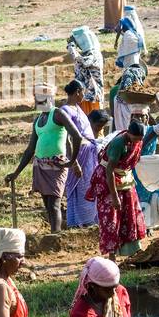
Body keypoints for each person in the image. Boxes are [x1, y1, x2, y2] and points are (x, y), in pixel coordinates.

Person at [5, 83, 84, 233]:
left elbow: (76, 137)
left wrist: (73, 162)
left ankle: (56, 236)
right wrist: (16, 173)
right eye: (36, 99)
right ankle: (54, 235)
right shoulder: (38, 120)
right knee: (48, 204)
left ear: (49, 98)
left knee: (54, 203)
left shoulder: (58, 114)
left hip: (56, 165)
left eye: (40, 99)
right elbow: (30, 150)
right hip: (40, 165)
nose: (37, 102)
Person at [87, 117, 148, 259]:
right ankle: (112, 257)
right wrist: (114, 197)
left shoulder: (137, 141)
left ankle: (133, 251)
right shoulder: (118, 143)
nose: (137, 142)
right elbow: (109, 171)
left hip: (125, 178)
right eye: (135, 138)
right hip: (108, 180)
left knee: (131, 215)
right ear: (129, 133)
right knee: (111, 219)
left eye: (139, 139)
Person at [59, 80, 100, 228]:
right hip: (78, 154)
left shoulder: (78, 108)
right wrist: (73, 161)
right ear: (77, 91)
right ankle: (80, 221)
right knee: (79, 188)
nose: (84, 95)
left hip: (88, 154)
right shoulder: (64, 110)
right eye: (82, 92)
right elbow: (67, 138)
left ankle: (90, 219)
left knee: (89, 185)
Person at [67, 26, 104, 113]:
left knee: (92, 121)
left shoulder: (94, 54)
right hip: (83, 95)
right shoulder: (85, 54)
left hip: (91, 95)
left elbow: (83, 62)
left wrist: (71, 47)